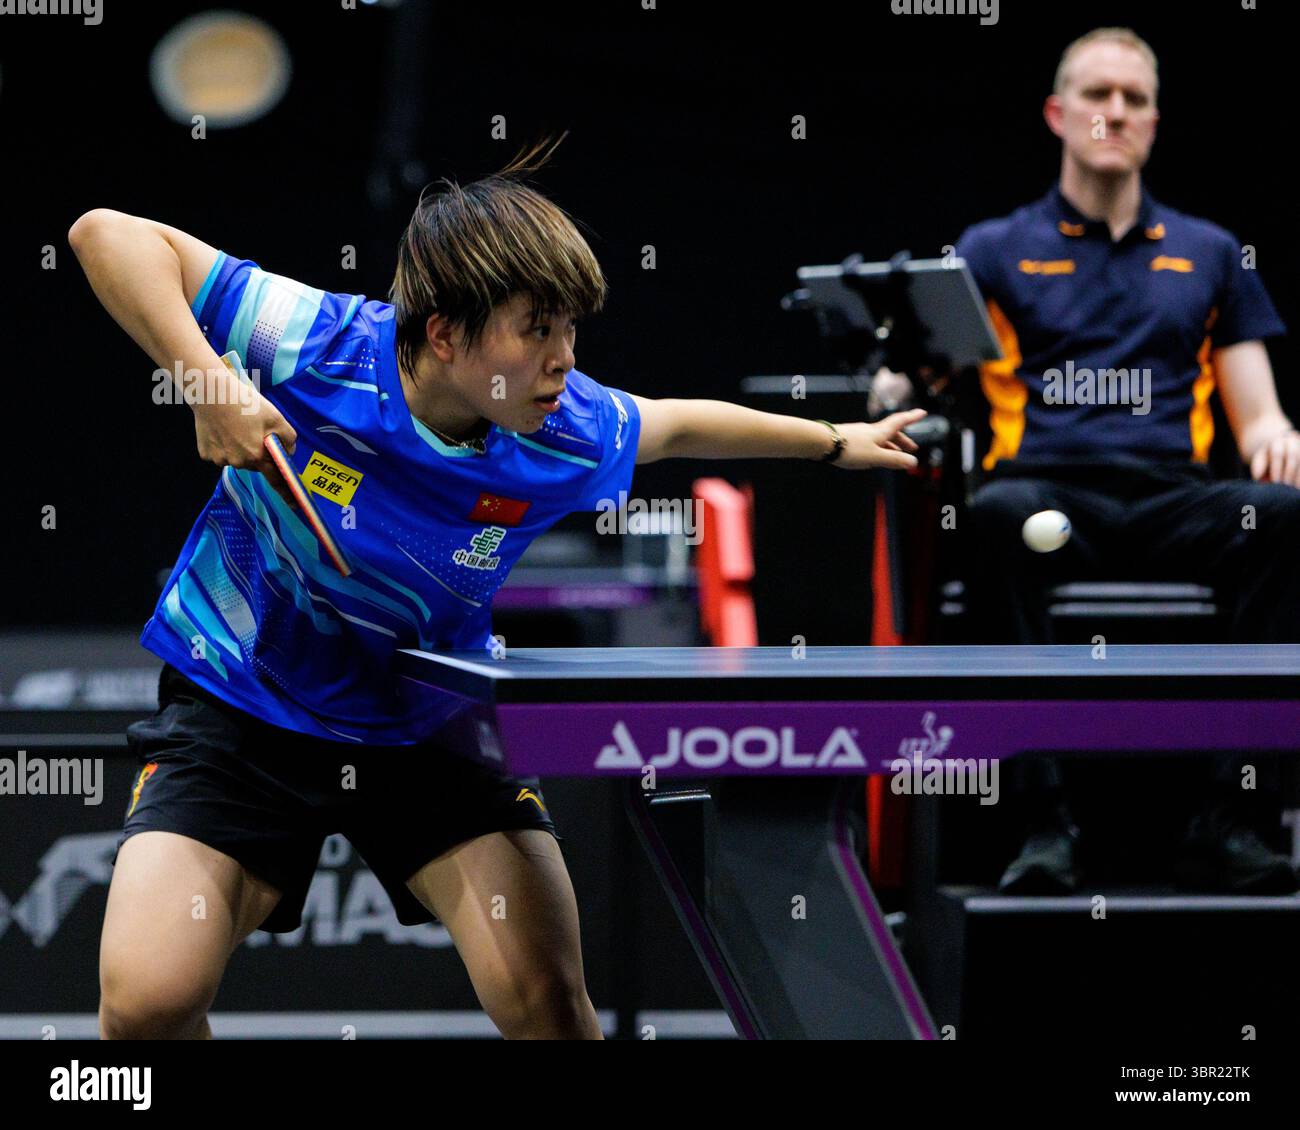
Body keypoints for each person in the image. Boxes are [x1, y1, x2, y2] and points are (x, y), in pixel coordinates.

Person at [70, 136, 925, 1040]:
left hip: (427, 718)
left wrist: (836, 440)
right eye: (536, 328)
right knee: (146, 1007)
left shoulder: (562, 426)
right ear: (445, 333)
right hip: (245, 704)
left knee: (550, 1007)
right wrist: (206, 381)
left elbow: (673, 425)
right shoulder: (319, 343)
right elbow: (107, 234)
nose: (563, 359)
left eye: (569, 329)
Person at [883, 28, 1299, 895]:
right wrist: (894, 382)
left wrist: (1273, 438)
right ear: (1057, 112)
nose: (1115, 112)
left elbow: (1260, 414)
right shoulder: (995, 249)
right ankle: (1046, 824)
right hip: (1051, 504)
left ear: (1154, 118)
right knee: (995, 513)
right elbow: (928, 370)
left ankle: (1234, 813)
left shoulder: (1211, 252)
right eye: (1098, 95)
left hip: (1173, 504)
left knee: (1283, 513)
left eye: (1135, 98)